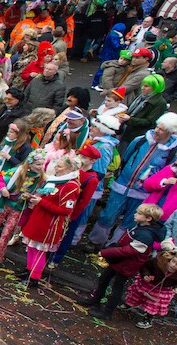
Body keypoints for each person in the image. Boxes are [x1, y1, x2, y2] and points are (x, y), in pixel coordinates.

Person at [88, 114, 177, 247]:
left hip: (143, 192)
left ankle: (115, 246)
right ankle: (95, 241)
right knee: (108, 215)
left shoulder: (172, 152)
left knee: (131, 221)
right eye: (157, 127)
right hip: (122, 185)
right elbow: (126, 158)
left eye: (162, 129)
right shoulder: (140, 140)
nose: (157, 131)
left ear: (170, 133)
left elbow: (167, 172)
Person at [82, 204, 167, 319]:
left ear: (148, 218)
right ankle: (95, 300)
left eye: (139, 214)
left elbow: (128, 251)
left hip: (127, 265)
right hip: (120, 261)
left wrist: (106, 252)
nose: (135, 215)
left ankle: (107, 312)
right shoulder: (139, 226)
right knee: (104, 279)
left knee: (117, 288)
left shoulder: (145, 235)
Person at [20, 155, 80, 287]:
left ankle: (34, 278)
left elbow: (65, 210)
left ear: (69, 169)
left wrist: (41, 202)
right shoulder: (56, 180)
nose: (56, 168)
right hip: (39, 218)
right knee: (31, 247)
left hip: (49, 223)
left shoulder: (71, 186)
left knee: (39, 251)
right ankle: (28, 270)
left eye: (59, 166)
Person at [126, 244, 177, 329]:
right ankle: (129, 304)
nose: (173, 266)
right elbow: (145, 267)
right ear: (170, 258)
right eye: (173, 261)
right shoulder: (157, 262)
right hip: (148, 284)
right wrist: (146, 275)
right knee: (137, 294)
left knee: (154, 304)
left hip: (163, 289)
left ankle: (148, 320)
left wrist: (175, 287)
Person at [119, 74, 169, 146]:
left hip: (136, 135)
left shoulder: (160, 103)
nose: (142, 88)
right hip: (126, 131)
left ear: (155, 87)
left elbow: (150, 122)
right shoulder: (141, 96)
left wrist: (130, 119)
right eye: (142, 85)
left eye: (146, 86)